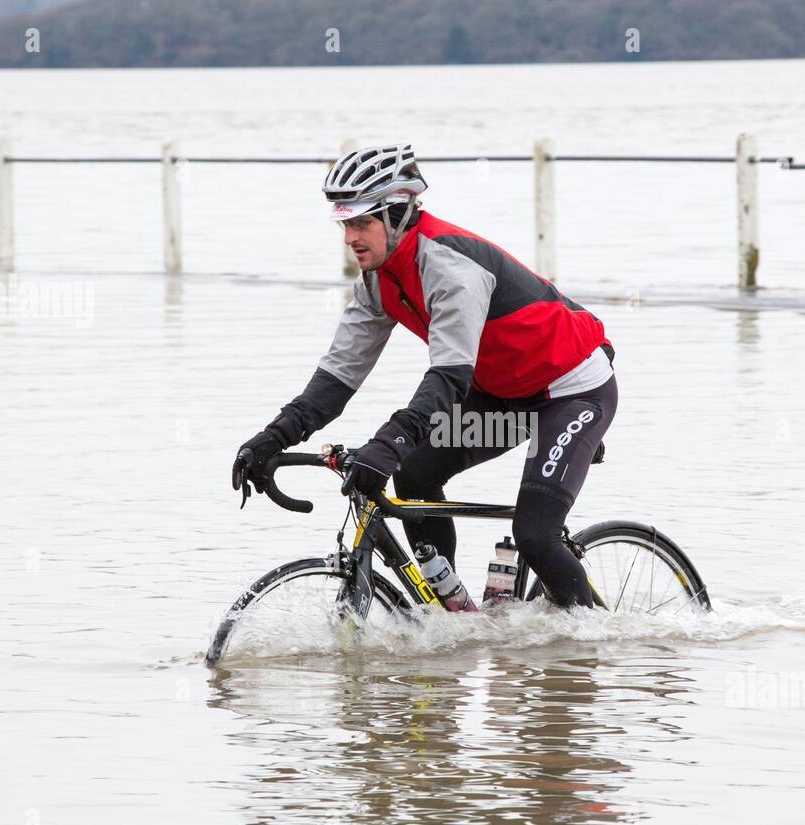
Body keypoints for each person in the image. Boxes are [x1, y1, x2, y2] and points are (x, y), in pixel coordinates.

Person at [231, 144, 616, 607]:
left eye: (361, 223)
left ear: (397, 215)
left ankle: (597, 647)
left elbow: (450, 377)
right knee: (414, 476)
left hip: (572, 392)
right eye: (344, 223)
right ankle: (451, 612)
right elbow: (337, 379)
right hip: (504, 398)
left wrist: (388, 441)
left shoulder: (452, 267)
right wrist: (272, 438)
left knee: (535, 534)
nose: (350, 237)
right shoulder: (379, 279)